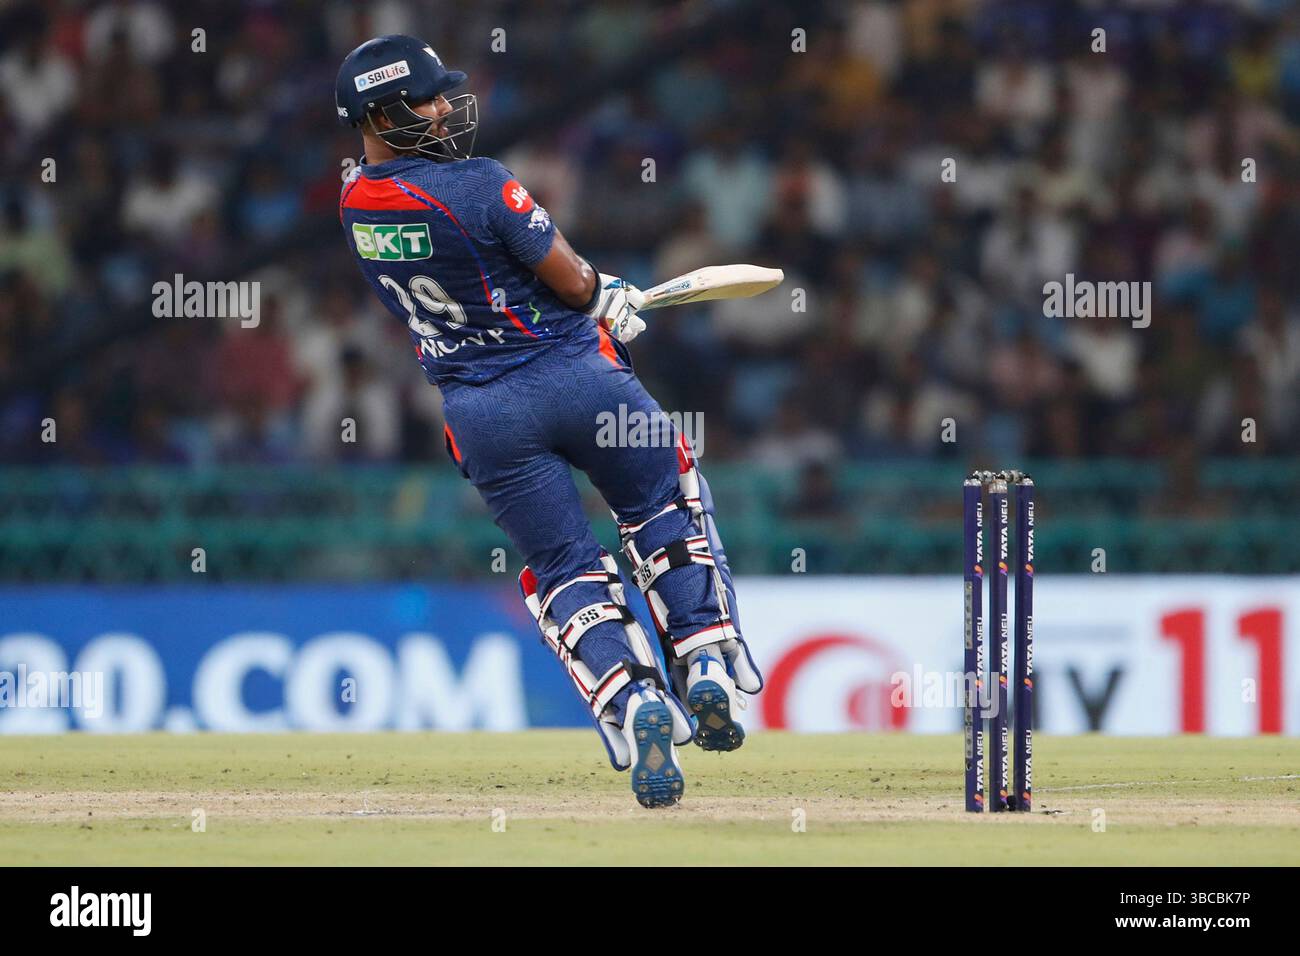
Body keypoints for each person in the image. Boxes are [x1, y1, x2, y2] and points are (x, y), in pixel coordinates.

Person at [334, 35, 762, 807]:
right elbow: (567, 277)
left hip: (483, 413)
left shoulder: (354, 206)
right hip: (579, 379)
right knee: (664, 505)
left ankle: (636, 703)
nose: (443, 108)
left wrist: (592, 295)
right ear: (383, 111)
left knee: (566, 568)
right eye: (427, 98)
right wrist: (607, 296)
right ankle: (702, 658)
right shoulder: (480, 183)